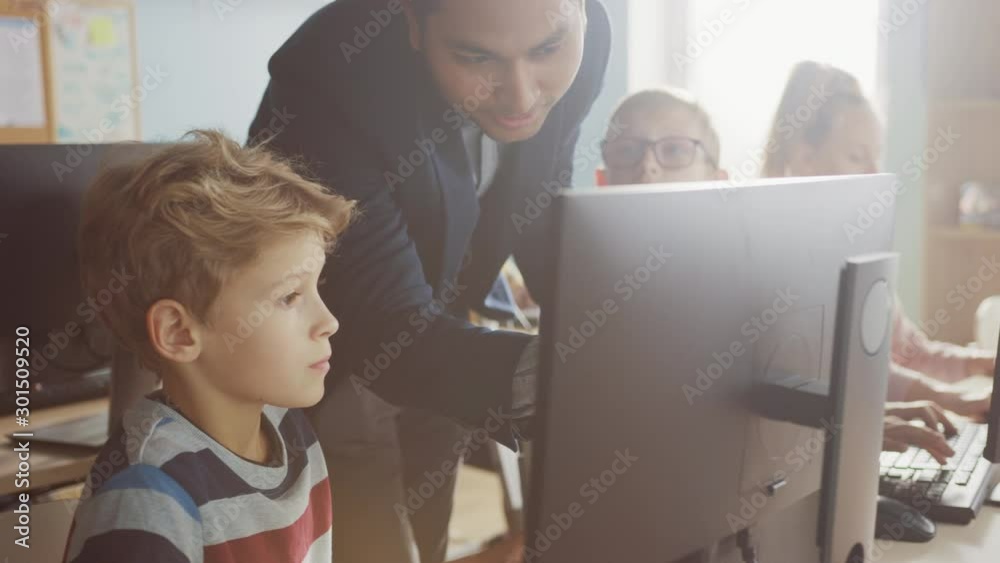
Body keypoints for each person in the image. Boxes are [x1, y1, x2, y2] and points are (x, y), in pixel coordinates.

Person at [248, 0, 611, 561]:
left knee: (427, 522)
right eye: (475, 57)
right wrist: (574, 375)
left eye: (546, 51)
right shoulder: (331, 81)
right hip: (331, 349)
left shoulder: (586, 33)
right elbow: (383, 320)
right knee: (363, 539)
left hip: (444, 330)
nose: (521, 95)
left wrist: (620, 330)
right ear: (412, 24)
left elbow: (536, 203)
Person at [63, 130, 354, 563]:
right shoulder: (149, 498)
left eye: (317, 287)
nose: (329, 322)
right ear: (179, 332)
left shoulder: (289, 429)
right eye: (289, 296)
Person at [762, 60, 997, 460]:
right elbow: (856, 369)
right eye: (857, 156)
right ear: (804, 157)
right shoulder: (779, 256)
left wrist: (982, 363)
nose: (876, 173)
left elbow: (909, 351)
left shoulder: (854, 240)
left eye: (877, 156)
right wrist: (944, 396)